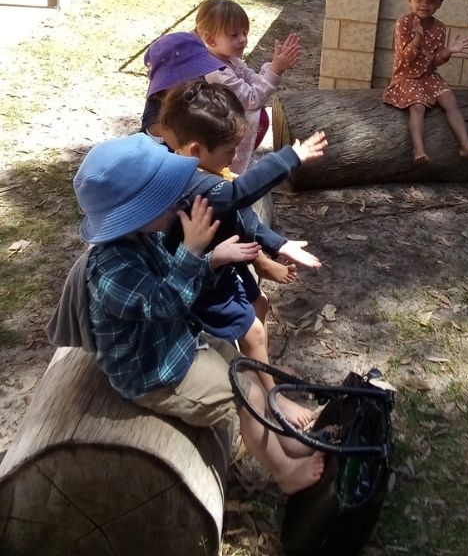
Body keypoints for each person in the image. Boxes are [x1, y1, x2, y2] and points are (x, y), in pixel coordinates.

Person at [73, 133, 325, 495]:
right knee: (247, 394)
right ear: (136, 210)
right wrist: (192, 252)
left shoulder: (146, 236)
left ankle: (288, 443)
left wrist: (211, 259)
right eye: (162, 196)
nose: (173, 201)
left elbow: (179, 280)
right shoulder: (111, 269)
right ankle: (285, 472)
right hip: (155, 372)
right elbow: (163, 305)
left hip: (177, 343)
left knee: (245, 369)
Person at [160, 80, 328, 426]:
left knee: (259, 307)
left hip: (224, 265)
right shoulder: (192, 184)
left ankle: (257, 364)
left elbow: (241, 215)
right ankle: (271, 400)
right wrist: (291, 157)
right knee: (252, 331)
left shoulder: (203, 170)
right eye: (229, 150)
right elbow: (239, 194)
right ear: (195, 150)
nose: (236, 156)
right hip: (199, 280)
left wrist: (277, 243)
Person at [141, 30, 296, 285]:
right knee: (225, 201)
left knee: (230, 199)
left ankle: (256, 258)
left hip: (198, 186)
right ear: (171, 85)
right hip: (176, 220)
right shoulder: (162, 127)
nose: (204, 82)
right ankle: (257, 261)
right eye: (198, 76)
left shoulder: (180, 104)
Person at [382, 0, 468, 165]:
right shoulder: (404, 22)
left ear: (438, 5)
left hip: (429, 76)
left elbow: (435, 60)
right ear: (409, 0)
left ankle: (465, 145)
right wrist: (418, 38)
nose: (424, 5)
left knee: (450, 101)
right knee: (418, 106)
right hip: (407, 76)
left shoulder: (440, 28)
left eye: (431, 1)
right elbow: (406, 57)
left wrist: (448, 50)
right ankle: (418, 149)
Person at [195, 0, 302, 173]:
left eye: (244, 32)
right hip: (220, 137)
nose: (243, 39)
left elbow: (253, 80)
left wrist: (275, 64)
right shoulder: (217, 73)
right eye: (234, 35)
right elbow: (253, 99)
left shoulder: (230, 61)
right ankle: (232, 171)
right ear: (211, 39)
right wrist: (275, 70)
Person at [141, 31, 226, 144]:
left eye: (201, 74)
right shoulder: (160, 119)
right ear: (168, 83)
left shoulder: (188, 94)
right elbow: (188, 149)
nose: (201, 80)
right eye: (194, 75)